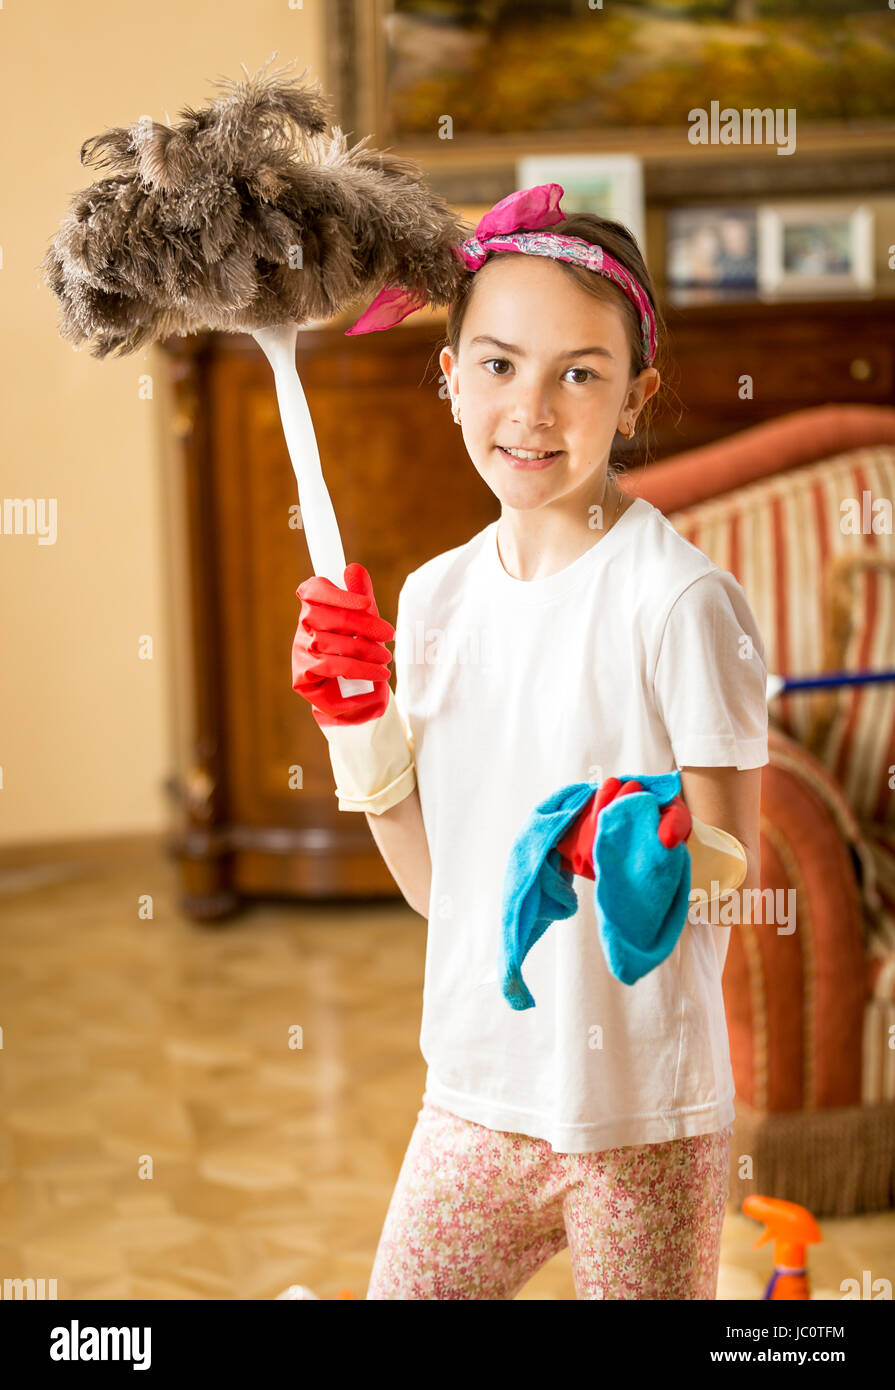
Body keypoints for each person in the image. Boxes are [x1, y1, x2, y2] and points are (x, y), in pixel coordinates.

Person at [290, 185, 768, 1300]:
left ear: (637, 397)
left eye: (580, 372)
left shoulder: (680, 602)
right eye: (499, 364)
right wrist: (358, 721)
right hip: (473, 1097)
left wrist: (636, 850)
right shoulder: (435, 598)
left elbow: (731, 873)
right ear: (449, 374)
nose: (533, 410)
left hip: (640, 1117)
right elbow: (437, 890)